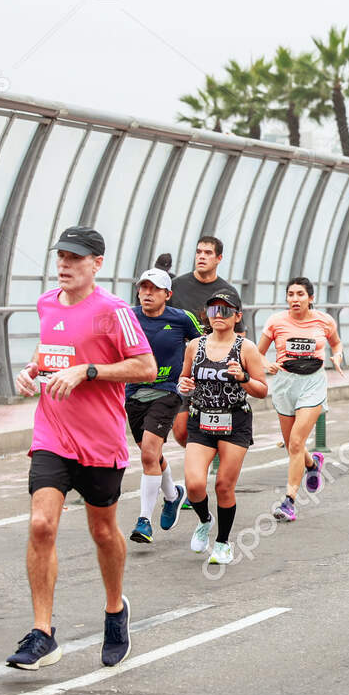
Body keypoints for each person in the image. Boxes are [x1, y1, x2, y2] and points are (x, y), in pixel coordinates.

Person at [8, 226, 155, 670]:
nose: (65, 265)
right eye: (61, 257)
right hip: (52, 434)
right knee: (40, 525)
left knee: (103, 532)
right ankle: (42, 633)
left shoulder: (114, 312)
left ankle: (115, 610)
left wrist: (88, 371)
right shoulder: (46, 304)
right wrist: (32, 369)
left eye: (75, 258)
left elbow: (145, 367)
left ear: (97, 264)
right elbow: (52, 348)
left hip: (100, 441)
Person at [176, 288, 267, 564]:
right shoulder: (196, 346)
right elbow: (183, 378)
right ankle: (205, 519)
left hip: (234, 422)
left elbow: (262, 389)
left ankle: (223, 542)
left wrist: (243, 378)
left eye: (225, 310)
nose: (219, 315)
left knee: (224, 486)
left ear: (237, 316)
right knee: (193, 485)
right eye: (214, 310)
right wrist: (184, 385)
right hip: (201, 420)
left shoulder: (246, 348)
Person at [258, 277, 342, 523]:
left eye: (300, 294)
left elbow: (336, 345)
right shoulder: (276, 322)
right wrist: (267, 365)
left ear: (310, 298)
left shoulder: (324, 321)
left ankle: (289, 501)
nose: (295, 299)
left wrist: (337, 357)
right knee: (291, 445)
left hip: (313, 383)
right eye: (291, 294)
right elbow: (258, 353)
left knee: (296, 442)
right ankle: (313, 464)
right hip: (285, 383)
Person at [126, 267, 200, 545]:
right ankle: (173, 495)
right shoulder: (128, 317)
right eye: (143, 287)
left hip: (168, 392)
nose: (147, 293)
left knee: (148, 452)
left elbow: (202, 346)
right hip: (133, 392)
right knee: (152, 455)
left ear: (167, 294)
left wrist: (191, 376)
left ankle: (144, 521)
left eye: (154, 289)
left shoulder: (181, 319)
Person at [168, 236, 239, 449]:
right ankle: (201, 455)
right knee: (180, 431)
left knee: (216, 429)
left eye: (208, 253)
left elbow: (240, 334)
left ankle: (205, 457)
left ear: (219, 258)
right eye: (199, 252)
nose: (201, 256)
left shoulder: (228, 292)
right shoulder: (177, 286)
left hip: (216, 373)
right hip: (184, 370)